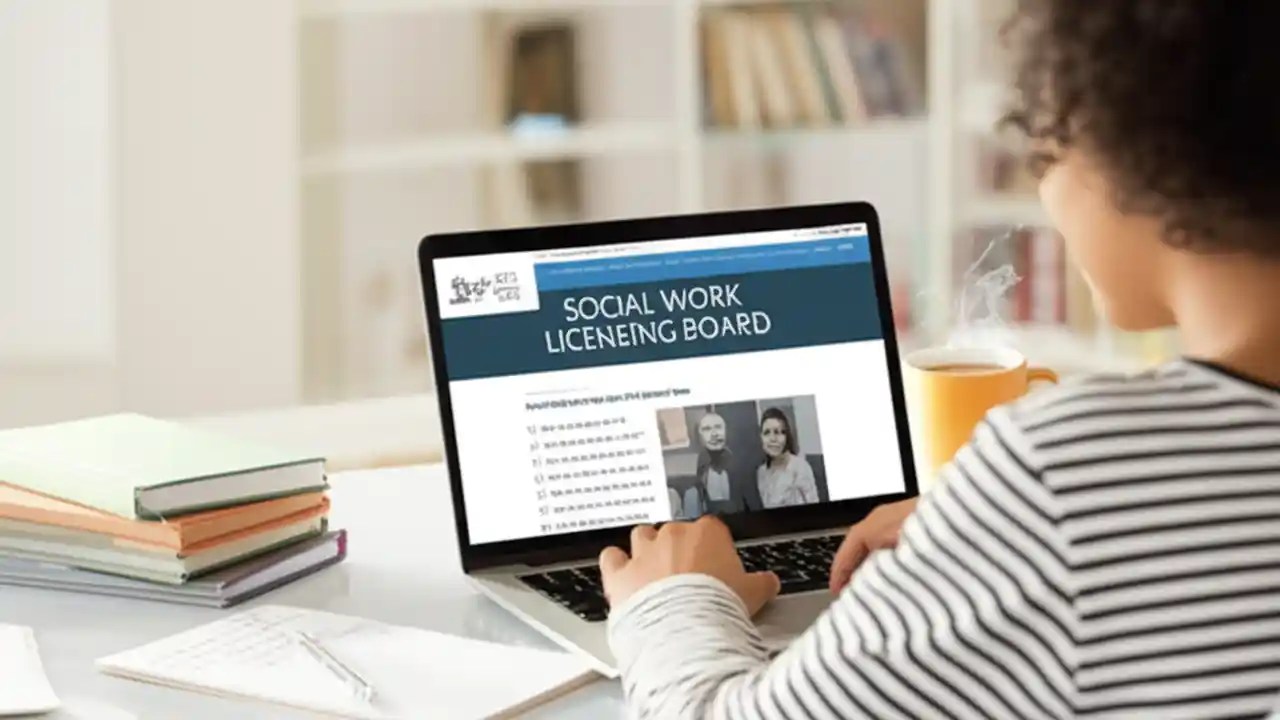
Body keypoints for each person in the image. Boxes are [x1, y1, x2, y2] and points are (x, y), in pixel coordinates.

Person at [598, 2, 1280, 717]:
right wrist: (990, 534)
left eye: (1044, 150)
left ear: (1127, 147)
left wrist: (670, 598)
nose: (1046, 193)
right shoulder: (1086, 491)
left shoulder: (1068, 477)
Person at [755, 407, 819, 508]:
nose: (772, 439)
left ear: (786, 436)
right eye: (767, 433)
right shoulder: (761, 472)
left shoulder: (800, 467)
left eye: (777, 432)